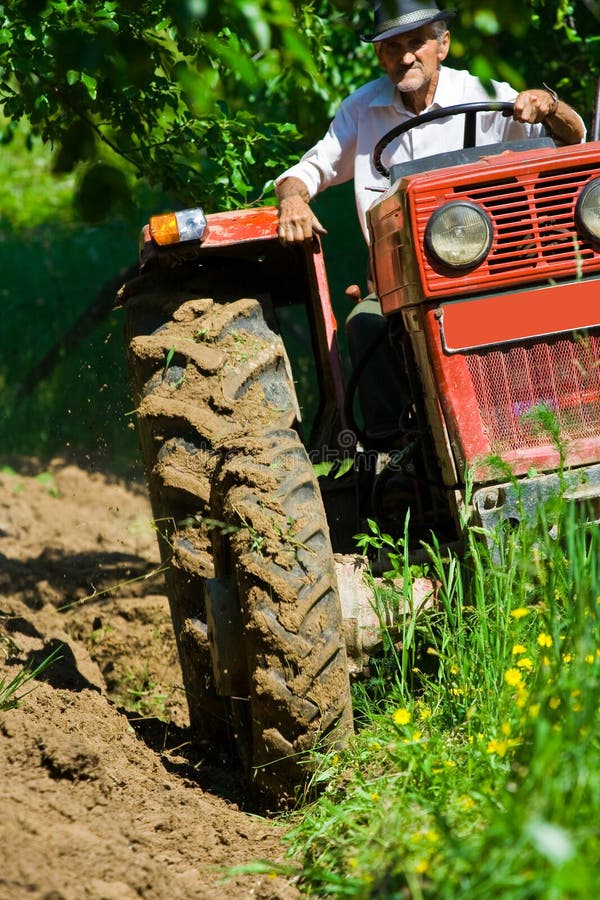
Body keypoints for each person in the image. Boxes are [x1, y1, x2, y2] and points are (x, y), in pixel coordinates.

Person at [274, 0, 586, 442]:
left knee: (554, 296)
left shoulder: (482, 93)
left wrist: (548, 105)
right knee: (366, 323)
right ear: (380, 55)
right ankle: (395, 448)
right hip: (396, 282)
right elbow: (307, 171)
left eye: (416, 43)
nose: (405, 57)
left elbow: (572, 139)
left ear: (442, 44)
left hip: (488, 269)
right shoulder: (361, 109)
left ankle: (559, 422)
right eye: (392, 46)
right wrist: (293, 200)